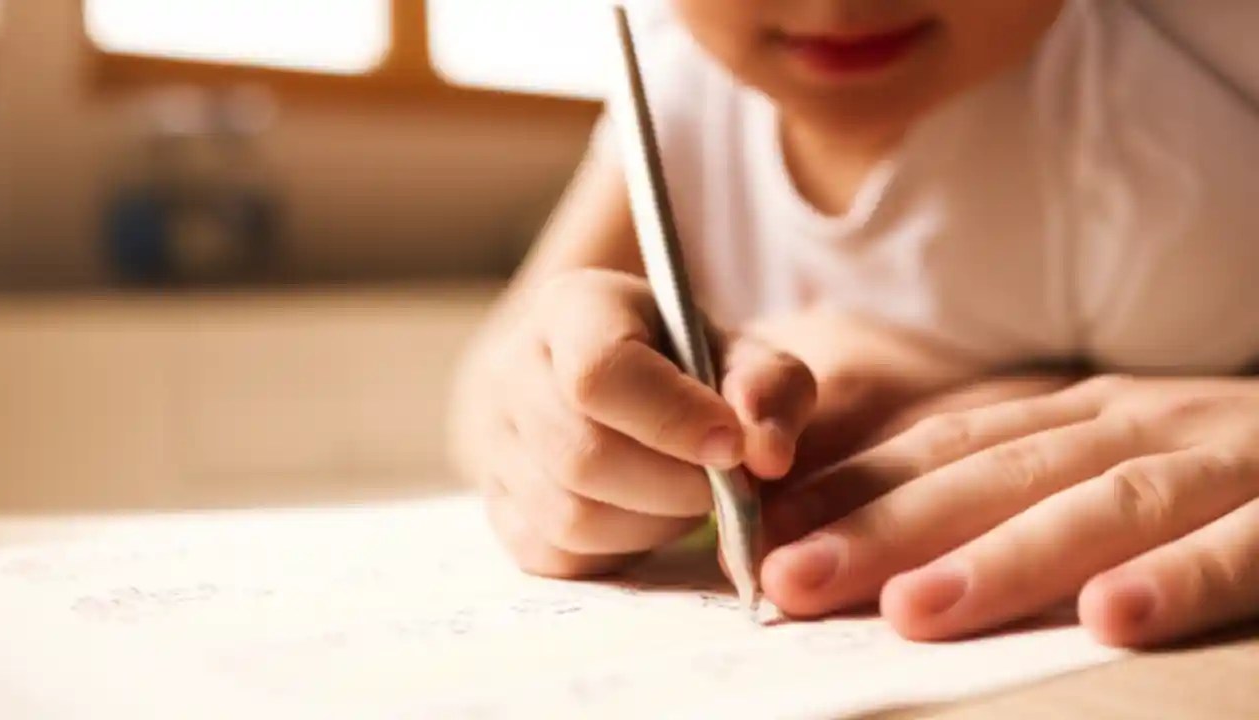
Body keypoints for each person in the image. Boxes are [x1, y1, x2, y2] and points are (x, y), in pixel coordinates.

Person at [448, 0, 1259, 648]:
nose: (839, 6)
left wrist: (972, 396)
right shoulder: (676, 77)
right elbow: (492, 380)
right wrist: (557, 429)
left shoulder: (1163, 115)